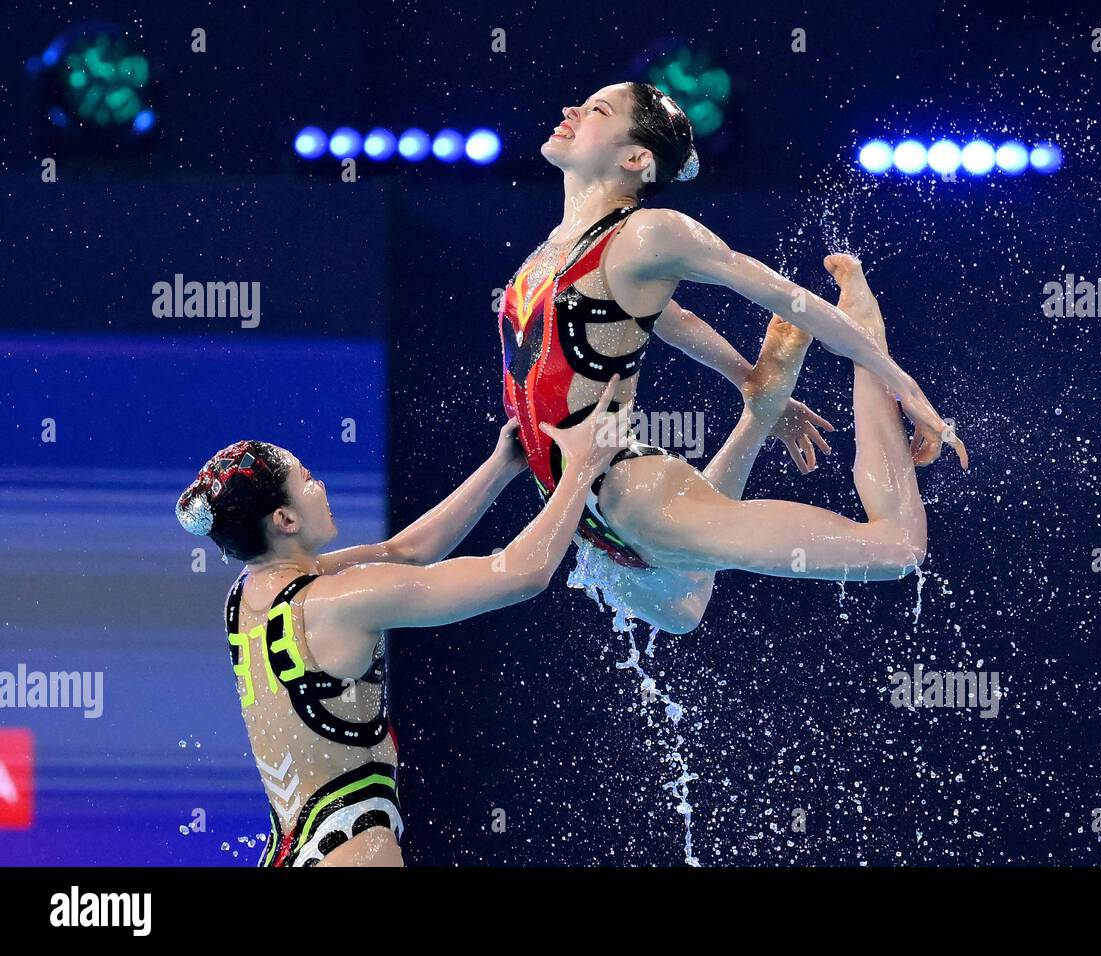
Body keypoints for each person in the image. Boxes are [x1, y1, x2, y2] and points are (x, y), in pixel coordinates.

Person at [498, 81, 968, 633]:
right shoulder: (554, 250)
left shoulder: (651, 232)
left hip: (633, 500)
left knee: (899, 548)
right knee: (682, 612)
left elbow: (785, 297)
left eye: (597, 109)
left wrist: (904, 386)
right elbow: (673, 322)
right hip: (589, 518)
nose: (570, 109)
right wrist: (749, 377)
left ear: (636, 159)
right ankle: (759, 410)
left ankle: (866, 325)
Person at [175, 381, 628, 865]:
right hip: (356, 852)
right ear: (285, 520)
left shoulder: (247, 594)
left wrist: (501, 466)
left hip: (296, 850)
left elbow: (405, 552)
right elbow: (523, 572)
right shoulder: (339, 602)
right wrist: (582, 467)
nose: (319, 485)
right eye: (307, 478)